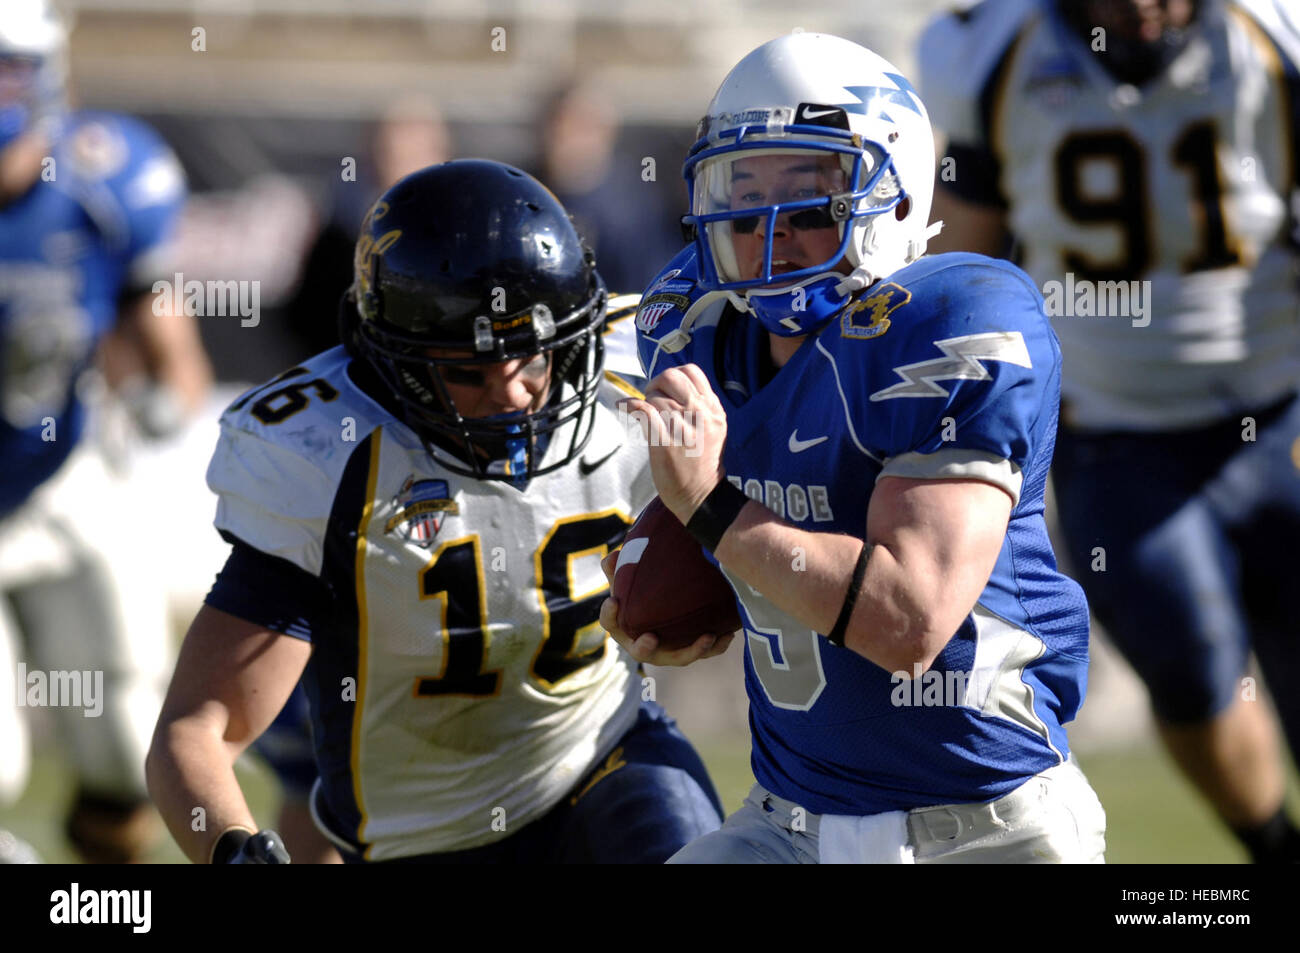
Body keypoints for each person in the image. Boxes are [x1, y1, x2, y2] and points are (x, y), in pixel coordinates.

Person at [600, 31, 1106, 864]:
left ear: (898, 198)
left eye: (807, 200)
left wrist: (714, 512)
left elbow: (910, 621)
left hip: (982, 831)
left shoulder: (957, 318)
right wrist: (695, 586)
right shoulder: (692, 325)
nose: (767, 230)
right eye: (742, 191)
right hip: (784, 824)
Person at [146, 159, 723, 864]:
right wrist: (237, 854)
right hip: (418, 835)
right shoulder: (326, 453)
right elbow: (196, 727)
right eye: (471, 372)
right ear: (399, 362)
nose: (513, 394)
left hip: (604, 758)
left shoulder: (644, 371)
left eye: (532, 359)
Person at [919, 0, 1300, 862]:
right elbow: (965, 267)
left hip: (1283, 415)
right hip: (1115, 437)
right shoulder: (990, 48)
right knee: (1189, 660)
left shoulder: (1270, 30)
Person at [0, 0, 208, 862]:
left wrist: (168, 399)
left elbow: (176, 355)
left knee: (131, 743)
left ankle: (103, 910)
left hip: (65, 475)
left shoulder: (101, 181)